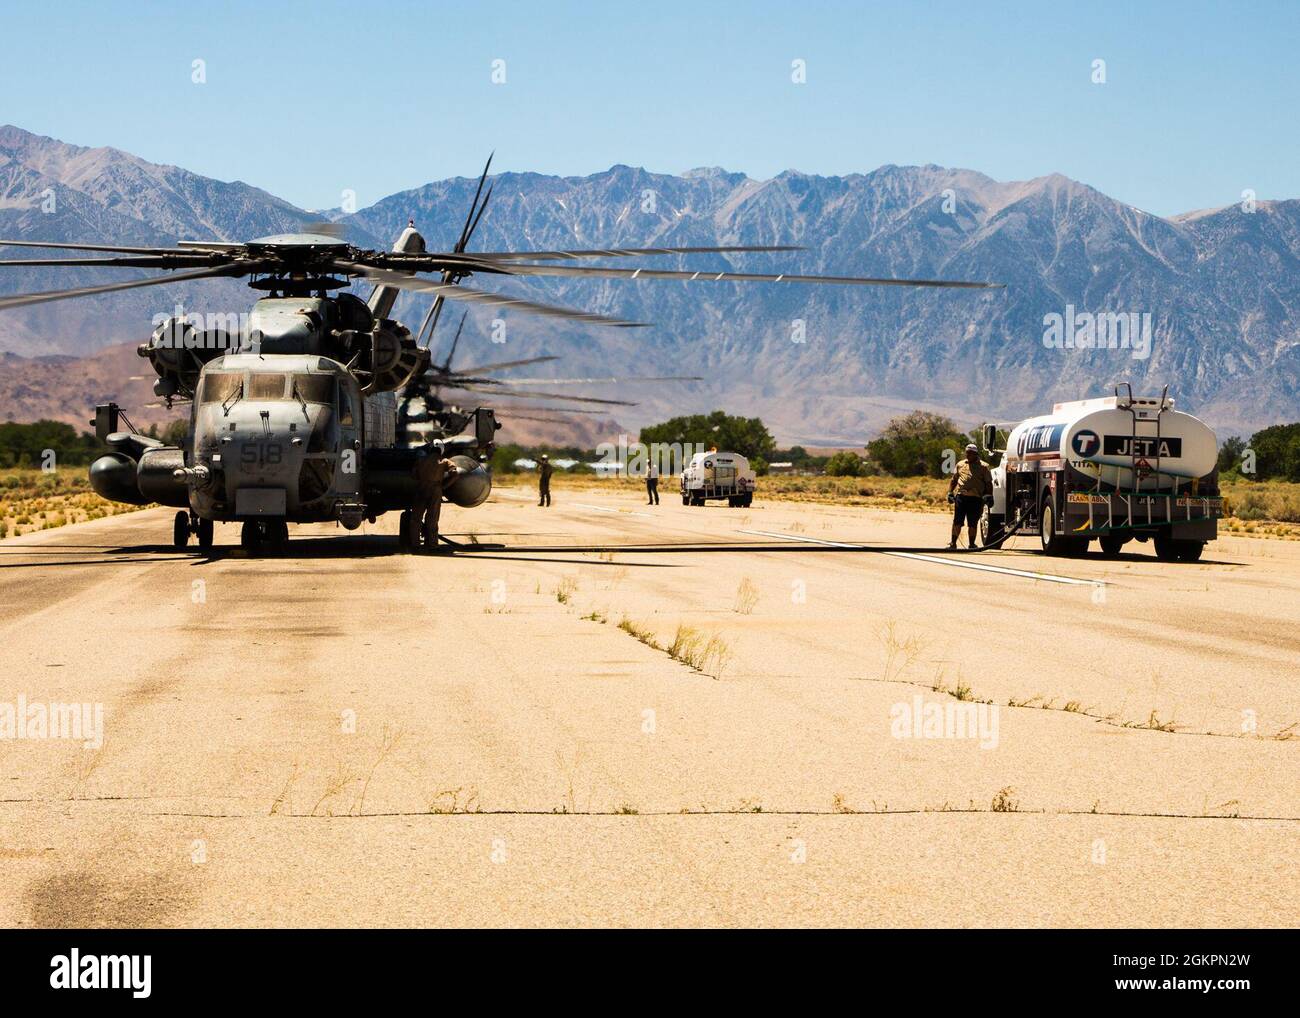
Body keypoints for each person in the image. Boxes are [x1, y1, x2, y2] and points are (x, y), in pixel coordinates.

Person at [412, 437, 459, 551]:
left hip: (421, 489)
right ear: (441, 450)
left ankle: (415, 545)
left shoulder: (421, 460)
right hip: (435, 491)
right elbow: (455, 473)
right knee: (432, 519)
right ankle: (432, 545)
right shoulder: (444, 461)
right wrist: (444, 486)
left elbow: (414, 474)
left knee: (416, 519)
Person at [947, 443, 994, 550]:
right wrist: (950, 492)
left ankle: (971, 544)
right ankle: (953, 543)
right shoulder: (960, 464)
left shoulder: (984, 467)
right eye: (967, 453)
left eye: (970, 453)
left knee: (973, 523)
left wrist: (989, 496)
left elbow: (988, 483)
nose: (968, 455)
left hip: (976, 499)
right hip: (961, 497)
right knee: (957, 521)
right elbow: (954, 480)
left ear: (975, 454)